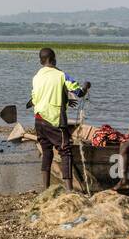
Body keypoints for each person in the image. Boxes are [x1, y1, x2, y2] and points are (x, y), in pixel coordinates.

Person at [27, 47, 89, 190]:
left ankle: (46, 188)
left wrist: (65, 100)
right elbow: (79, 92)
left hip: (39, 119)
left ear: (41, 61)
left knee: (47, 152)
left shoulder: (36, 77)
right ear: (54, 59)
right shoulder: (61, 75)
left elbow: (36, 99)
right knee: (65, 151)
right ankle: (69, 190)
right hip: (55, 120)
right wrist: (86, 86)